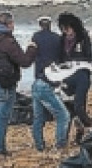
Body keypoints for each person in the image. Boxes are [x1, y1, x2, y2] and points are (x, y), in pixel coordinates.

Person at [0, 11, 37, 159]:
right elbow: (24, 61)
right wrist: (32, 49)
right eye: (12, 24)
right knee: (3, 118)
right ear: (8, 25)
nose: (14, 26)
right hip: (5, 84)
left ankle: (0, 149)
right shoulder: (7, 42)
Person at [29, 16, 70, 152]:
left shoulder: (35, 37)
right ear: (50, 25)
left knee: (38, 118)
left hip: (37, 81)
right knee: (63, 116)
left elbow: (31, 55)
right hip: (49, 81)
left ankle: (39, 146)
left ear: (40, 25)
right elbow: (63, 58)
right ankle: (60, 145)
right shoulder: (57, 38)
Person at [47, 61, 92, 144]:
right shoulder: (84, 79)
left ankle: (72, 139)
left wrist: (81, 120)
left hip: (57, 87)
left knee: (71, 114)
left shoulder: (84, 72)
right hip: (50, 90)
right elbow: (78, 105)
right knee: (65, 116)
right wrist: (88, 122)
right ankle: (61, 145)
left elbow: (80, 100)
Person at [56, 12, 92, 143]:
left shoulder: (83, 38)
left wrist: (76, 61)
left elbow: (89, 57)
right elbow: (60, 58)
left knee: (79, 106)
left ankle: (91, 130)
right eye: (62, 29)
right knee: (69, 107)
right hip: (67, 76)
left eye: (67, 28)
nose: (65, 31)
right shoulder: (61, 39)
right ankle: (79, 132)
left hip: (82, 75)